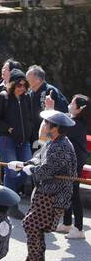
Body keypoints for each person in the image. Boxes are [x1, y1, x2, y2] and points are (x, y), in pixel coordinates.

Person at [12, 110, 79, 261]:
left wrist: (31, 170)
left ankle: (33, 260)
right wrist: (24, 163)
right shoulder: (54, 141)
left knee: (31, 224)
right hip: (47, 191)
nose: (44, 125)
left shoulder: (61, 146)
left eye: (47, 123)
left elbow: (47, 169)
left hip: (54, 195)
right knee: (36, 226)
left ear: (55, 127)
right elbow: (40, 158)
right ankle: (38, 259)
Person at [0, 70, 36, 195]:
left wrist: (31, 136)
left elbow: (30, 118)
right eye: (19, 85)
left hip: (23, 141)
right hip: (5, 139)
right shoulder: (3, 97)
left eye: (25, 85)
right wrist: (8, 128)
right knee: (12, 171)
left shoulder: (27, 97)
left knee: (27, 169)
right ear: (12, 84)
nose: (22, 88)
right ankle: (11, 203)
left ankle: (6, 194)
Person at [56, 94, 87, 240]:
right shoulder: (74, 121)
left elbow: (56, 134)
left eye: (72, 103)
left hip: (74, 162)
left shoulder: (75, 124)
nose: (69, 104)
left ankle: (79, 228)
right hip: (70, 161)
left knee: (74, 193)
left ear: (79, 109)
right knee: (66, 191)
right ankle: (67, 223)